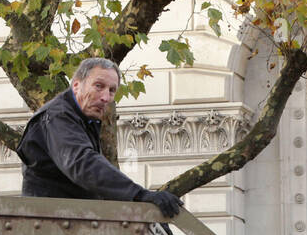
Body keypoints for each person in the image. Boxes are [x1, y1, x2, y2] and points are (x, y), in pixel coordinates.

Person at [16, 58, 184, 218]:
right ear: (76, 86)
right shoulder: (58, 117)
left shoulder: (81, 119)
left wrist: (145, 211)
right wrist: (139, 195)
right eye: (99, 86)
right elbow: (83, 163)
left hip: (65, 221)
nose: (106, 98)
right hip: (52, 225)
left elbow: (92, 180)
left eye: (112, 91)